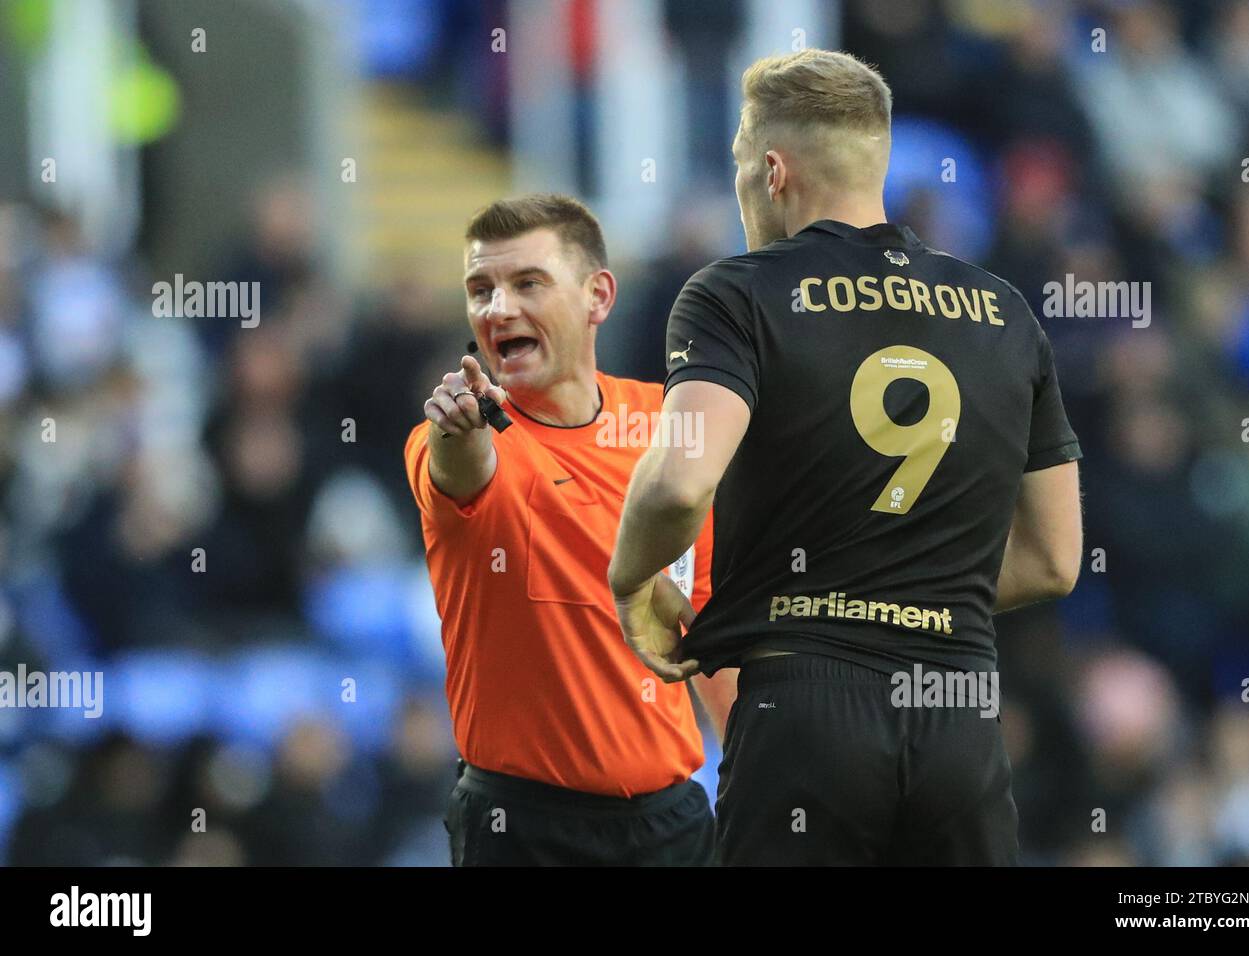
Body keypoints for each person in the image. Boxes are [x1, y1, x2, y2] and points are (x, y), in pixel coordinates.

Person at [608, 50, 1082, 865]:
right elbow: (1053, 560)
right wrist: (910, 589)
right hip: (958, 710)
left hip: (804, 709)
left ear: (772, 169)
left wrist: (632, 579)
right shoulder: (1004, 312)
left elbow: (682, 479)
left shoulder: (734, 293)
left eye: (736, 167)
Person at [403, 194, 737, 866]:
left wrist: (760, 773)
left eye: (527, 283)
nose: (498, 308)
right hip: (524, 829)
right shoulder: (452, 439)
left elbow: (705, 615)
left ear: (598, 296)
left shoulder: (664, 426)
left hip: (674, 822)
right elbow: (463, 471)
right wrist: (457, 427)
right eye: (481, 289)